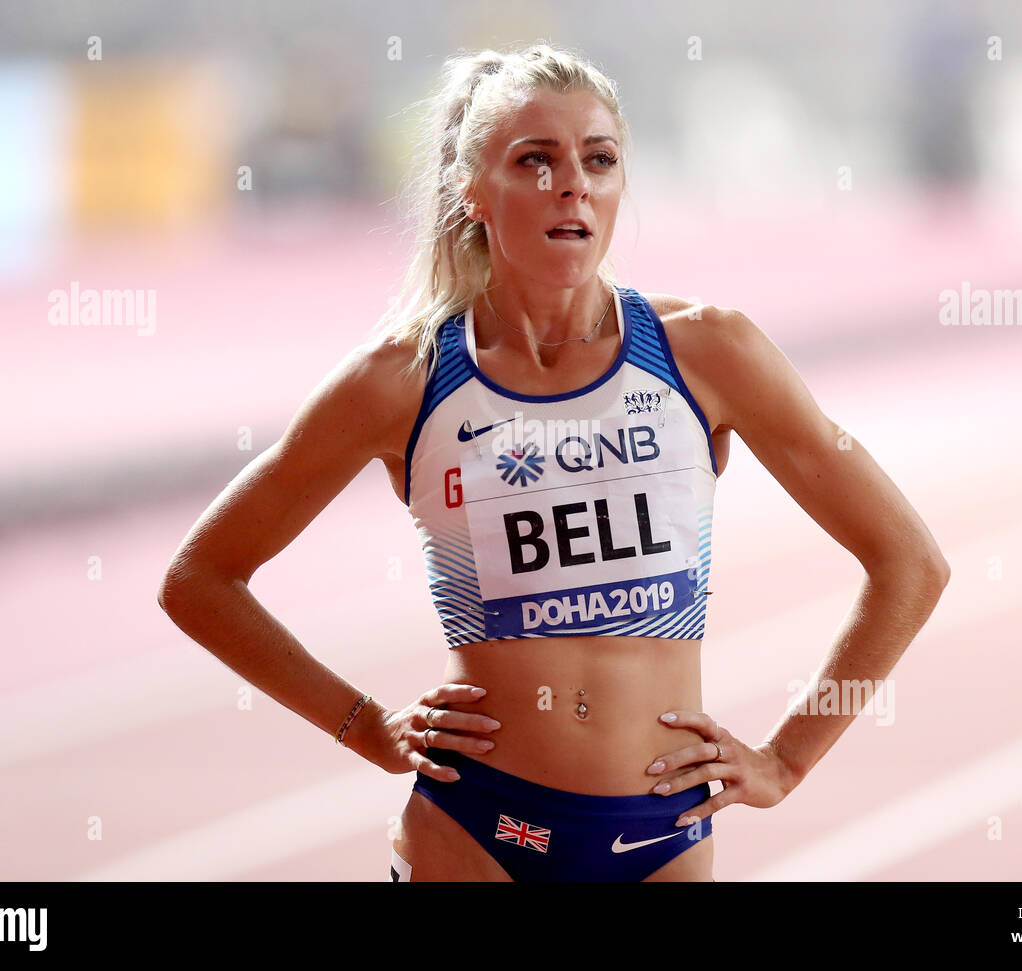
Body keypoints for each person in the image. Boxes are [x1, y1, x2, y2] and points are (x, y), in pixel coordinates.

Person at [157, 43, 950, 882]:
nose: (573, 183)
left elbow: (910, 562)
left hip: (660, 834)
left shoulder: (711, 352)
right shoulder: (400, 381)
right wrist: (364, 724)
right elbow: (200, 577)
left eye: (599, 160)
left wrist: (787, 760)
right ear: (473, 192)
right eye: (536, 160)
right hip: (472, 827)